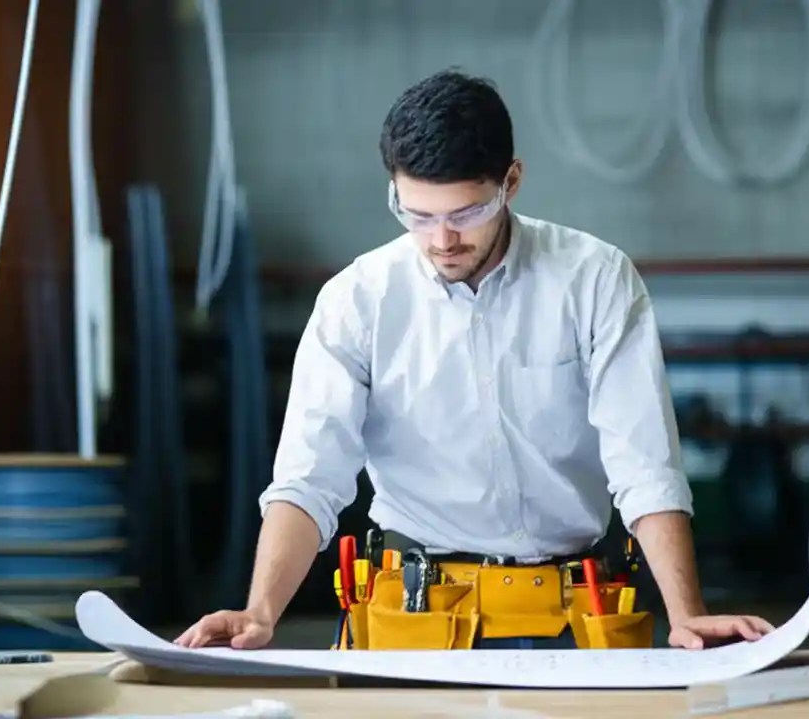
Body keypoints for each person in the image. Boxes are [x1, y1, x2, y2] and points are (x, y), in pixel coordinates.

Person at [177, 69, 774, 651]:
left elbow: (645, 465)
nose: (442, 240)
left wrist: (687, 615)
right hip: (414, 615)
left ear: (510, 182)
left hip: (574, 611)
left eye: (465, 214)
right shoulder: (357, 301)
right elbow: (309, 479)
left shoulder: (593, 279)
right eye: (418, 215)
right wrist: (260, 611)